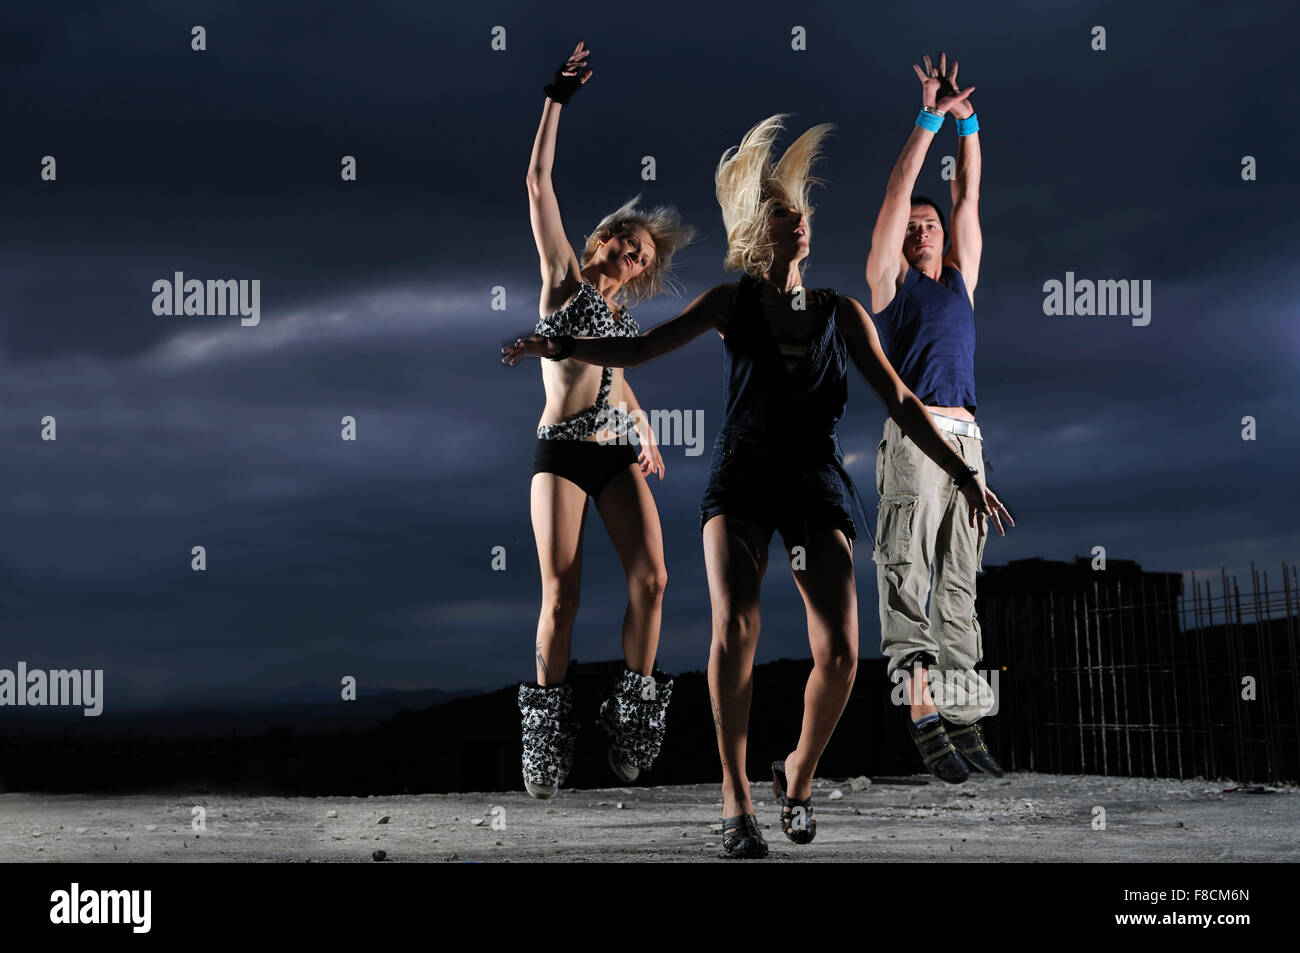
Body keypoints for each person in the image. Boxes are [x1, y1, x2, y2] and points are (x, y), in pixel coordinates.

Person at [504, 113, 1010, 856]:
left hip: (814, 482)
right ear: (758, 231)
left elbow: (902, 400)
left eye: (800, 212)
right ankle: (735, 799)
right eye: (780, 214)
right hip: (741, 478)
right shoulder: (729, 303)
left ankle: (798, 772)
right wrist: (564, 341)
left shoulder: (842, 313)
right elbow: (641, 348)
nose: (797, 222)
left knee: (839, 652)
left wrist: (965, 474)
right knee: (735, 627)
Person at [515, 41, 695, 799]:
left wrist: (645, 429)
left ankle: (633, 717)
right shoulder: (562, 279)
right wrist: (555, 99)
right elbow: (537, 183)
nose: (628, 251)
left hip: (613, 451)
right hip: (559, 452)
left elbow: (617, 378)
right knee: (561, 595)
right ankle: (545, 734)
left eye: (639, 254)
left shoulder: (621, 318)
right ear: (599, 242)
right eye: (623, 240)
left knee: (653, 577)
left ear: (640, 272)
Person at [865, 52, 1013, 784]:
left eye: (930, 222)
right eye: (914, 225)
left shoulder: (961, 280)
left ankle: (965, 723)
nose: (923, 227)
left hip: (970, 441)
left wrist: (969, 122)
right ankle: (922, 713)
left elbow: (970, 195)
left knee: (959, 584)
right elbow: (898, 191)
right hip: (916, 439)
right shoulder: (889, 287)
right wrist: (928, 117)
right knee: (907, 571)